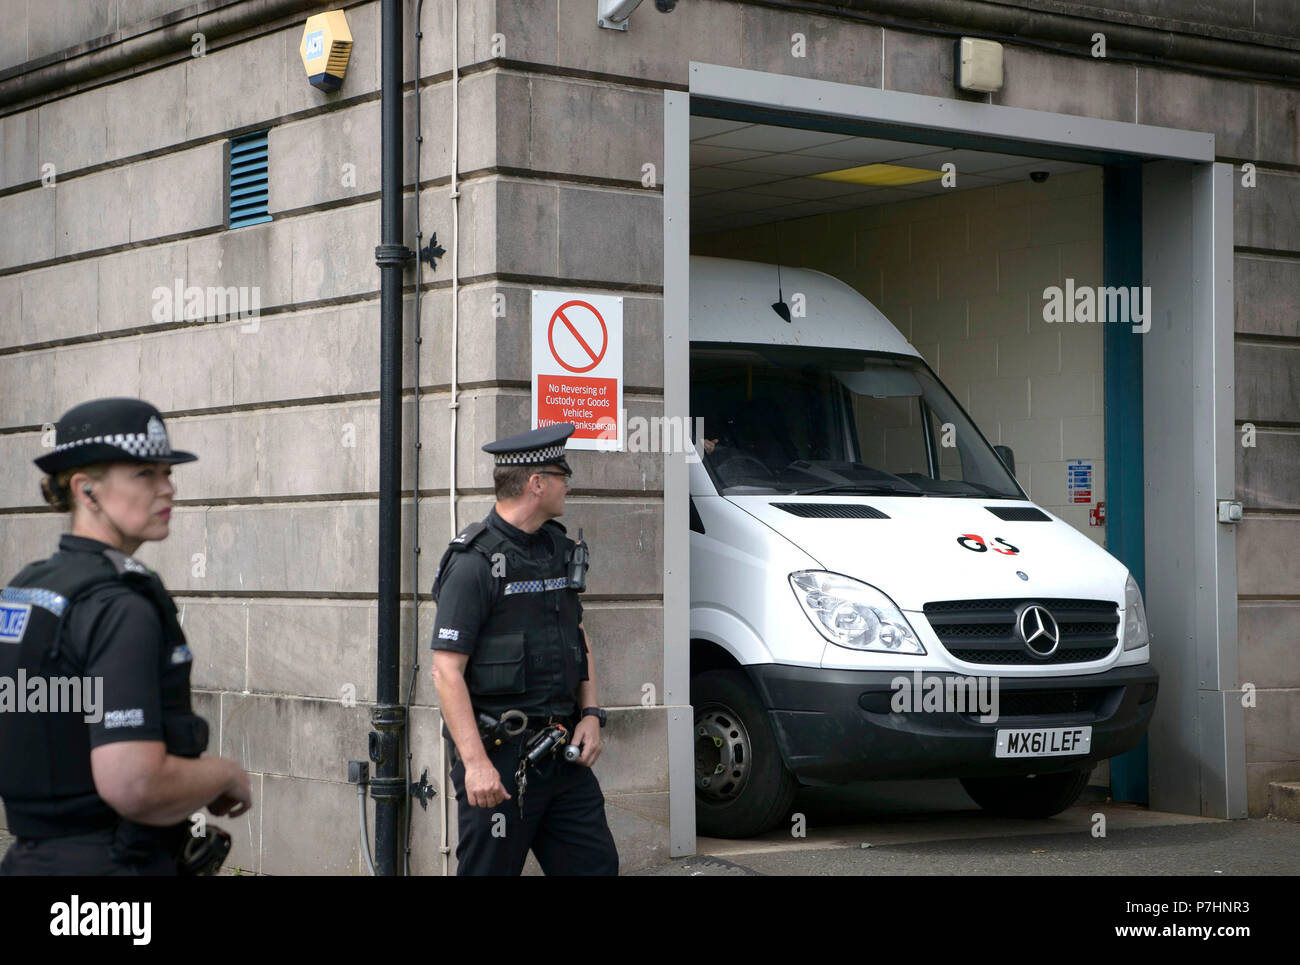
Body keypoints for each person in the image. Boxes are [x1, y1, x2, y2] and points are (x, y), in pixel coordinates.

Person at [0, 398, 251, 875]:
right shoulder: (120, 607)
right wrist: (226, 774)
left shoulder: (26, 588)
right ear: (86, 489)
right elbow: (133, 783)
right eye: (145, 475)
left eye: (167, 473)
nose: (168, 489)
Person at [430, 422, 619, 876]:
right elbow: (445, 672)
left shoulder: (558, 549)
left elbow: (578, 633)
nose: (568, 484)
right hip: (500, 759)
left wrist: (591, 715)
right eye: (562, 475)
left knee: (596, 867)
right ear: (537, 483)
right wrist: (475, 765)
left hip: (562, 755)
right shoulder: (474, 563)